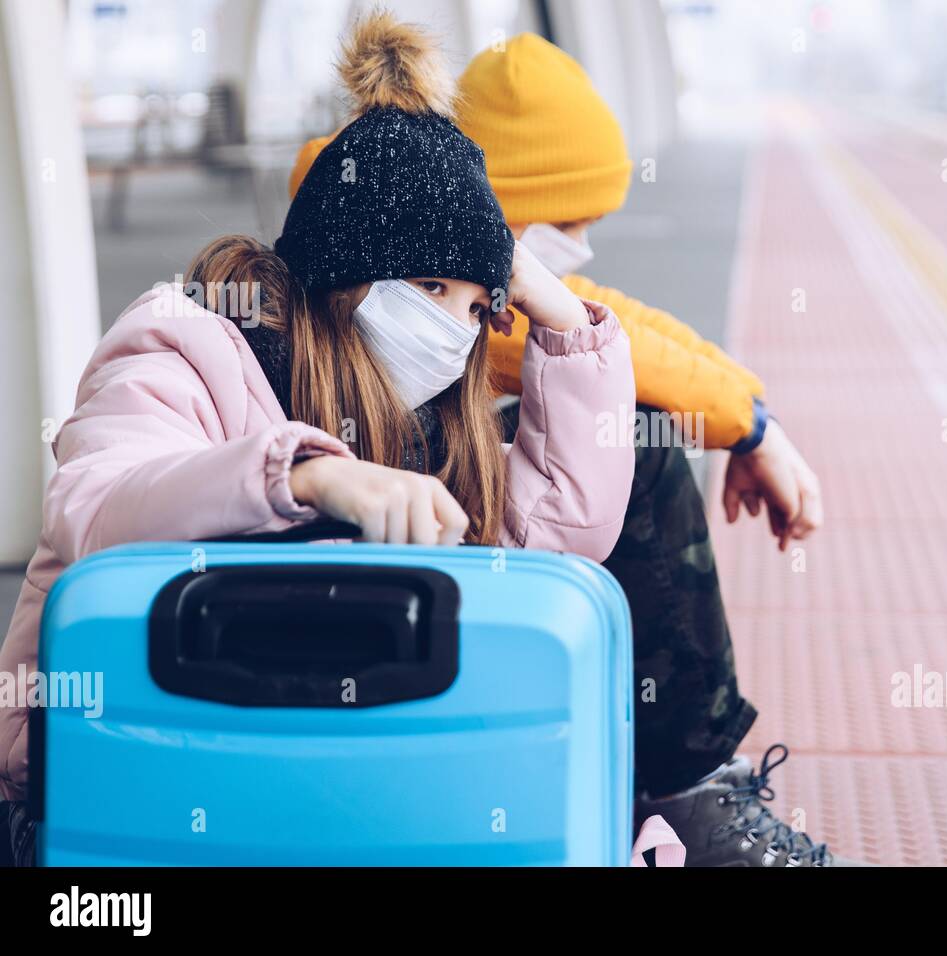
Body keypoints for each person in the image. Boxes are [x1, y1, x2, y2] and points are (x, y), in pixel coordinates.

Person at [0, 12, 634, 865]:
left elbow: (557, 542)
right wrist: (299, 478)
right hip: (103, 768)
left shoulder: (430, 416)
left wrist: (561, 319)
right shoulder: (185, 348)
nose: (452, 332)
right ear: (343, 271)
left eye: (478, 309)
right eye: (431, 286)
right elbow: (98, 506)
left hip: (302, 766)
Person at [291, 32, 857, 866]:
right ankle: (688, 792)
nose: (580, 245)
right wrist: (749, 426)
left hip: (391, 510)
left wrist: (751, 407)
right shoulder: (413, 268)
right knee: (637, 447)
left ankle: (665, 779)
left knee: (611, 440)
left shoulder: (419, 245)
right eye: (568, 224)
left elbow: (608, 314)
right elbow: (639, 361)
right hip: (361, 540)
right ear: (496, 201)